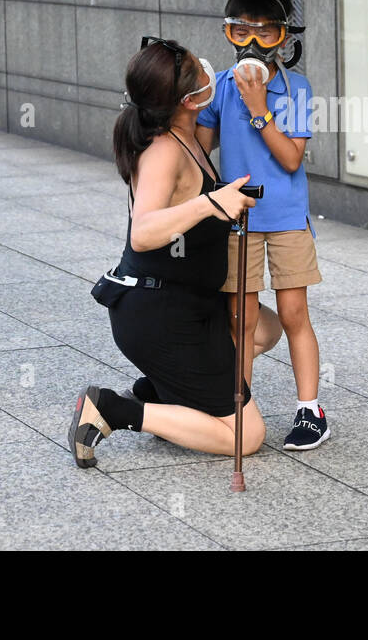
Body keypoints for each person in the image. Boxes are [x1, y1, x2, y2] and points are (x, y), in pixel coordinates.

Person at [68, 37, 277, 467]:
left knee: (261, 329)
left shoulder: (188, 135)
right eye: (200, 74)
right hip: (159, 313)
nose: (208, 72)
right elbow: (143, 232)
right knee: (247, 435)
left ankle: (160, 390)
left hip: (187, 301)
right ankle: (112, 409)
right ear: (185, 100)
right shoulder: (164, 150)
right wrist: (210, 203)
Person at [195, 0, 330, 451]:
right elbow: (199, 147)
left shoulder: (297, 87)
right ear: (229, 34)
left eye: (266, 33)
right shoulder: (223, 89)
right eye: (241, 31)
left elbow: (291, 159)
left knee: (294, 312)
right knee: (242, 318)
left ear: (284, 38)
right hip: (238, 217)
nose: (252, 44)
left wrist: (258, 110)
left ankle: (310, 410)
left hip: (287, 216)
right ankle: (240, 406)